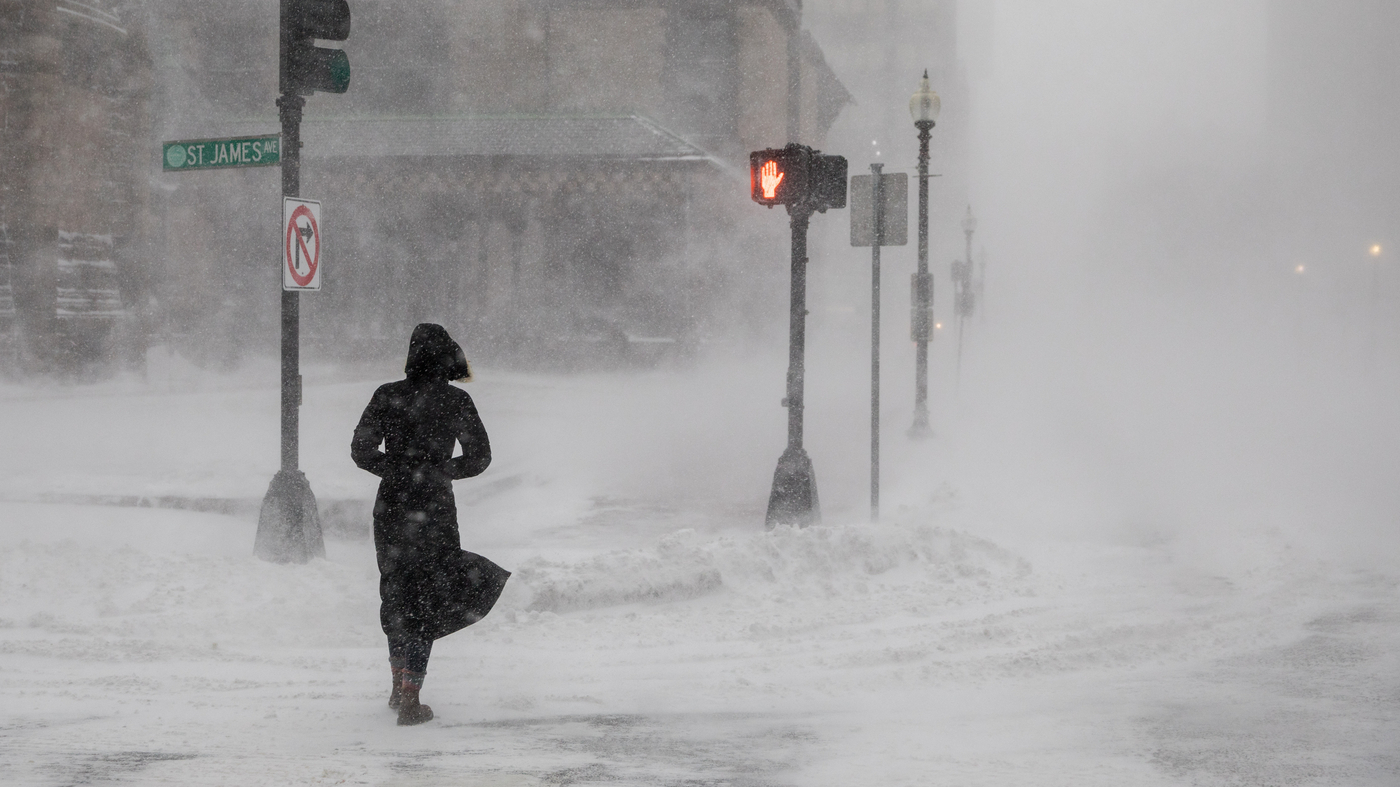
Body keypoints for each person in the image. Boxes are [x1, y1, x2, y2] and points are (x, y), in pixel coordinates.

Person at [351, 323, 510, 726]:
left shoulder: (387, 395)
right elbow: (480, 456)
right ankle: (411, 695)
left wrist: (398, 471)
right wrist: (438, 471)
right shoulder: (456, 400)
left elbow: (361, 450)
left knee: (396, 590)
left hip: (392, 506)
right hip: (434, 508)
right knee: (427, 595)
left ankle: (396, 684)